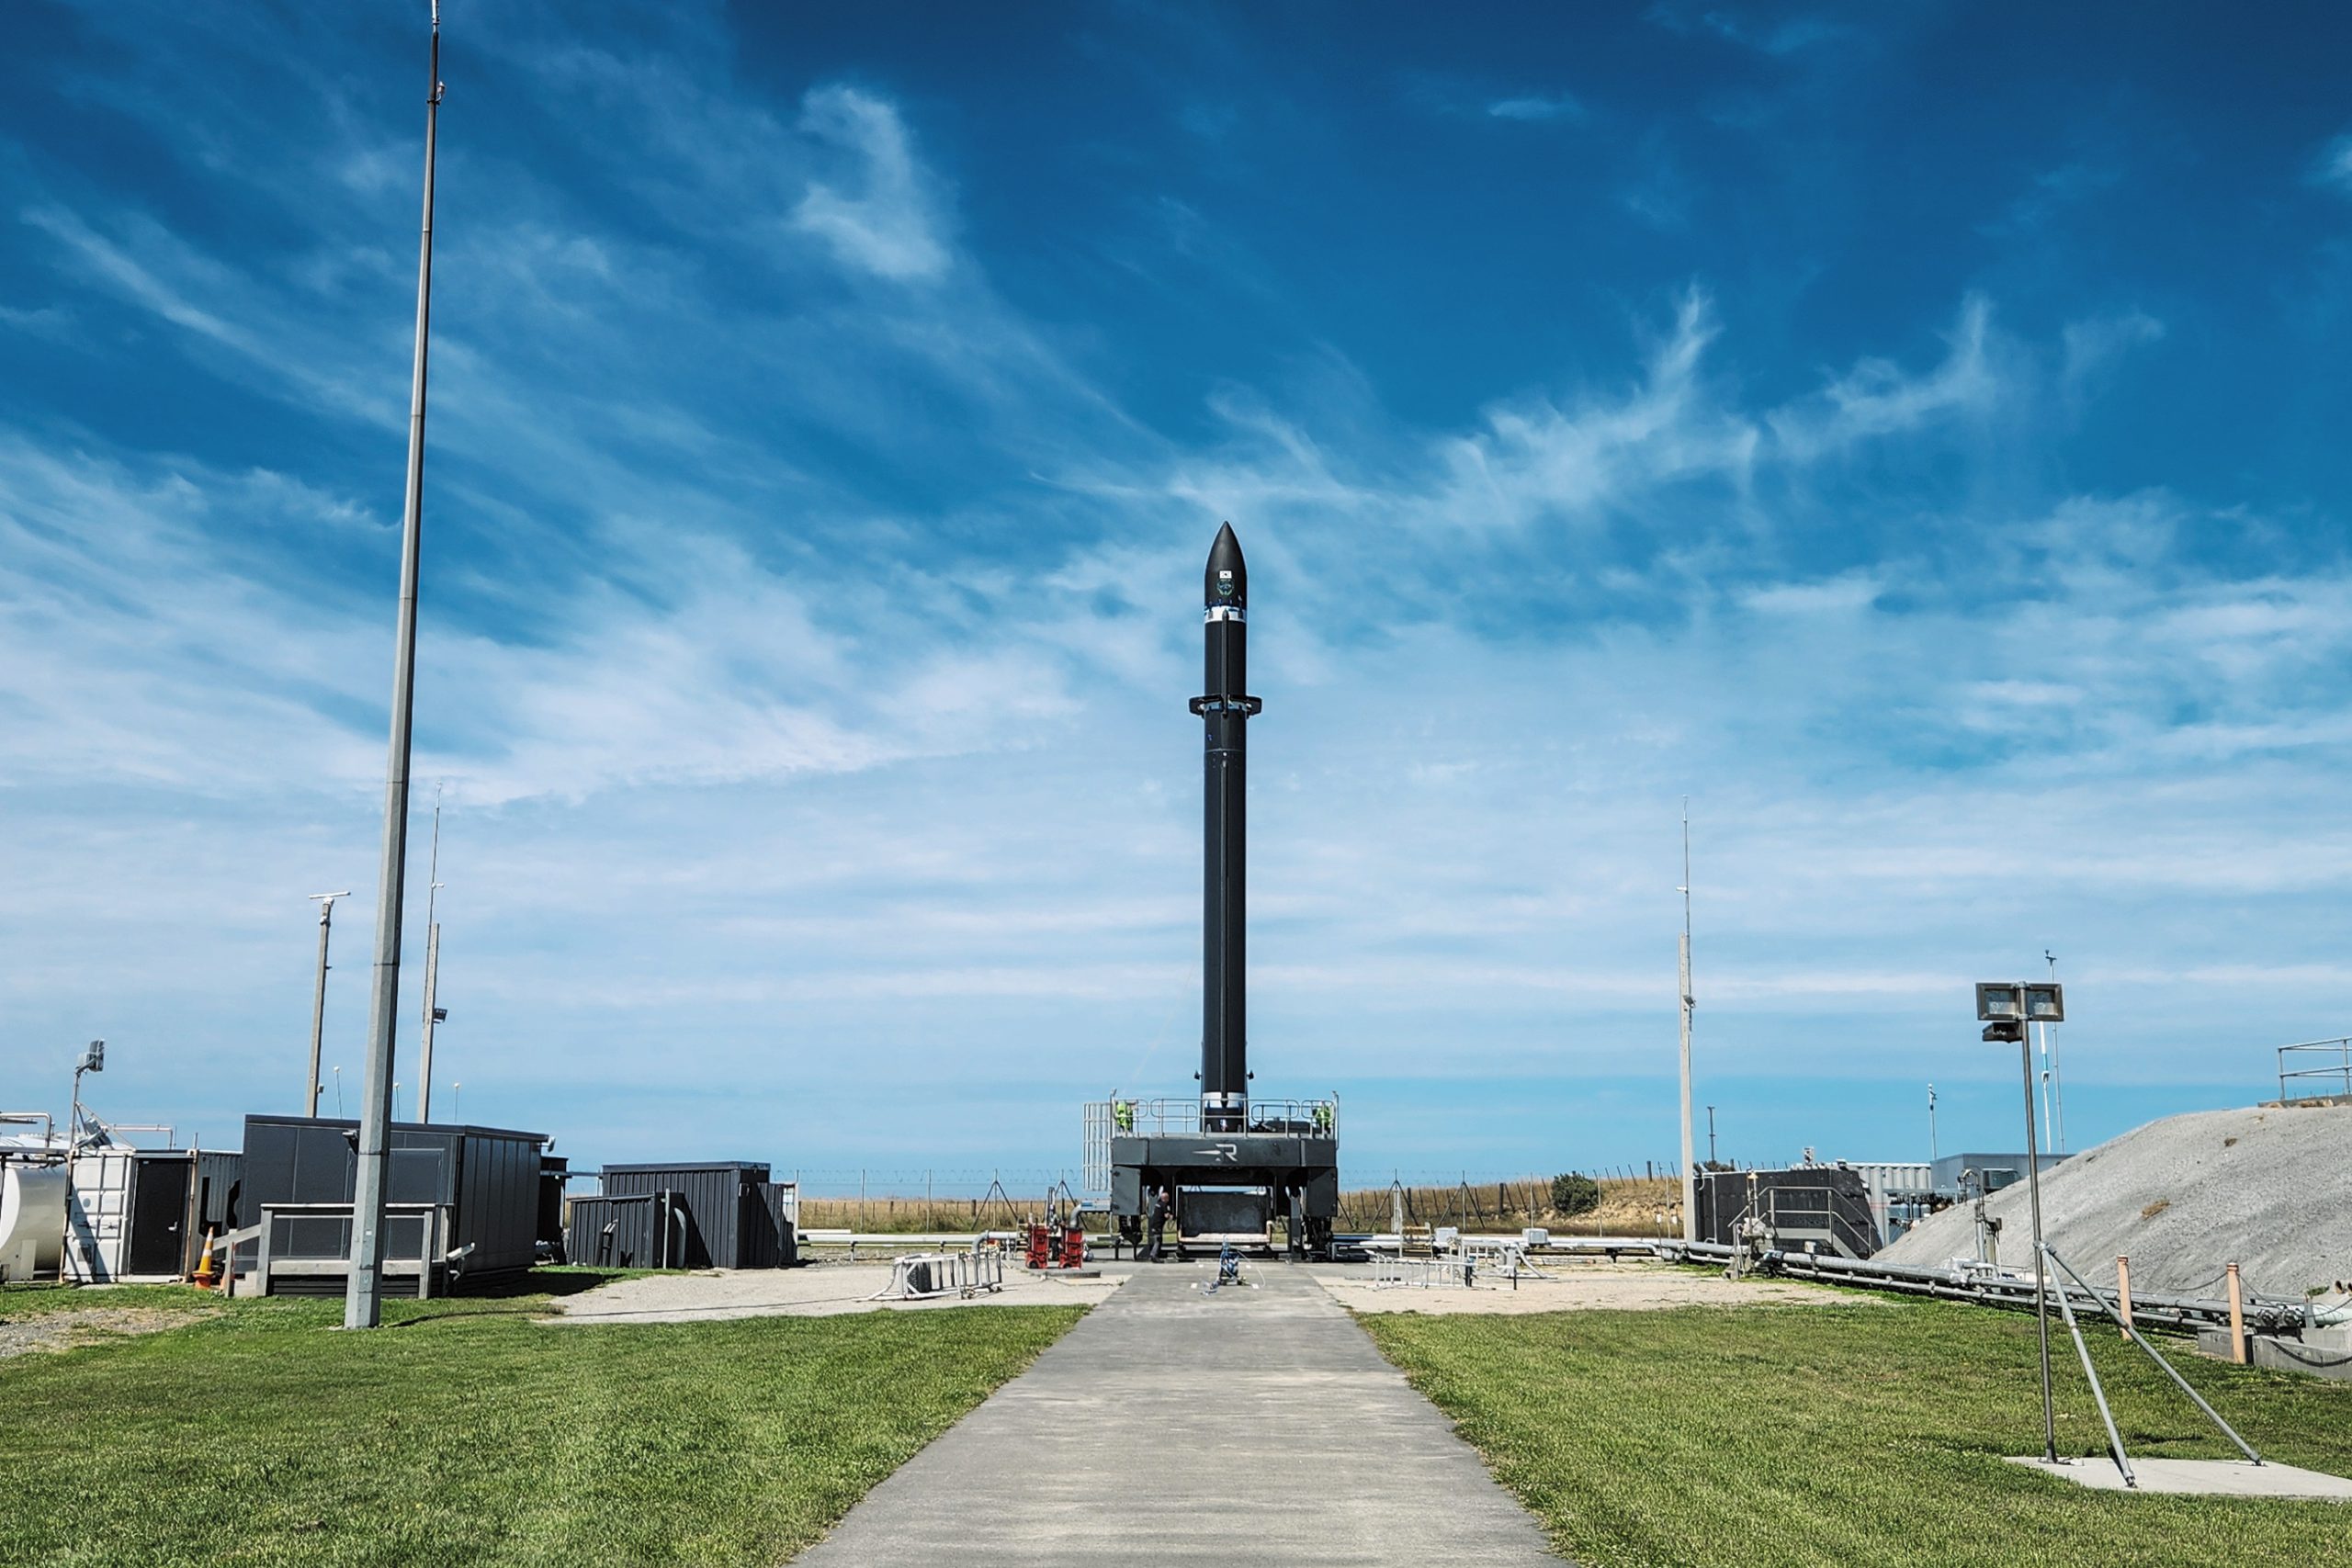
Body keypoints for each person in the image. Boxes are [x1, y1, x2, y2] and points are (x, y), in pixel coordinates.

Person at [1143, 1185, 1171, 1262]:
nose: (1168, 1199)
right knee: (1158, 1241)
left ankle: (1154, 1254)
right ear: (1165, 1199)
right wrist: (1170, 1216)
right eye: (1167, 1198)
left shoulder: (1157, 1204)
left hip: (1154, 1224)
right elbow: (1166, 1215)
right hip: (1158, 1225)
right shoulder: (1164, 1205)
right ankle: (1154, 1255)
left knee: (1157, 1240)